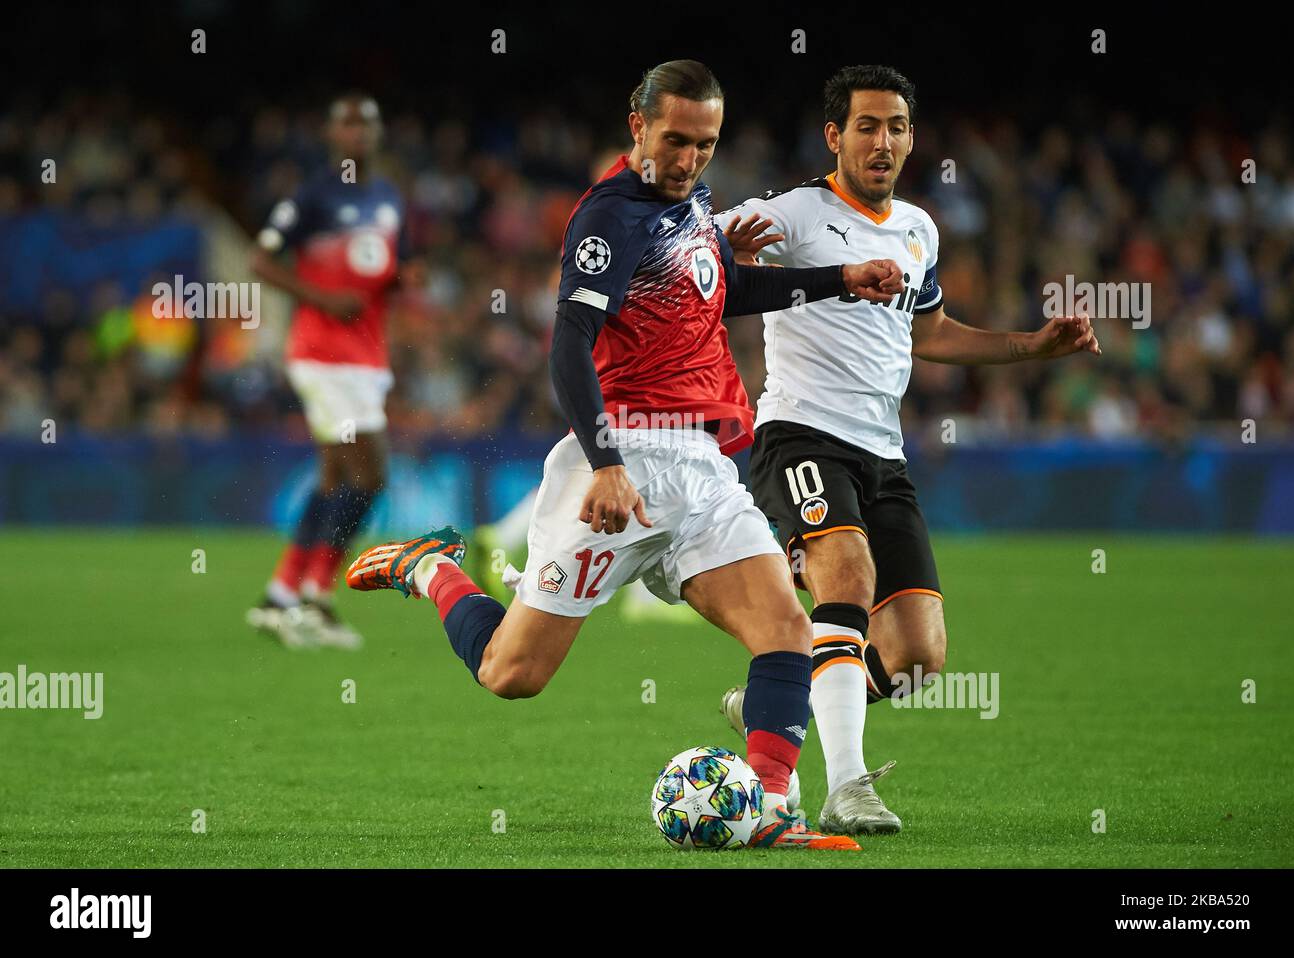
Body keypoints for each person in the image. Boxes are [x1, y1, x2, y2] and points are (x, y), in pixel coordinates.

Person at [346, 60, 904, 849]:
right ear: (637, 125)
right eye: (674, 140)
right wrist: (605, 462)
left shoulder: (691, 200)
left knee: (786, 632)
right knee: (513, 674)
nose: (688, 160)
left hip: (703, 470)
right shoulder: (609, 217)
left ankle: (773, 812)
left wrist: (841, 277)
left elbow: (724, 292)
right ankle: (431, 569)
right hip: (621, 463)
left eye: (705, 144)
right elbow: (569, 343)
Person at [715, 64, 1100, 835]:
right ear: (835, 136)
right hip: (799, 434)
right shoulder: (792, 214)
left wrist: (1031, 346)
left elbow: (929, 333)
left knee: (921, 655)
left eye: (896, 126)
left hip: (881, 456)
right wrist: (720, 237)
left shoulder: (919, 229)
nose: (883, 141)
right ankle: (846, 786)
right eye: (866, 125)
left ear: (912, 138)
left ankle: (780, 693)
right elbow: (695, 250)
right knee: (846, 577)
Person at [245, 93, 413, 649]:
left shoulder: (388, 198)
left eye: (366, 122)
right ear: (330, 133)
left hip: (366, 356)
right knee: (370, 474)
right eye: (347, 123)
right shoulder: (312, 195)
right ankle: (313, 594)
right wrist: (321, 296)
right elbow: (260, 259)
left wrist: (400, 282)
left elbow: (390, 267)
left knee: (337, 478)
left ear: (377, 132)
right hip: (322, 354)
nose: (358, 132)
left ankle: (284, 596)